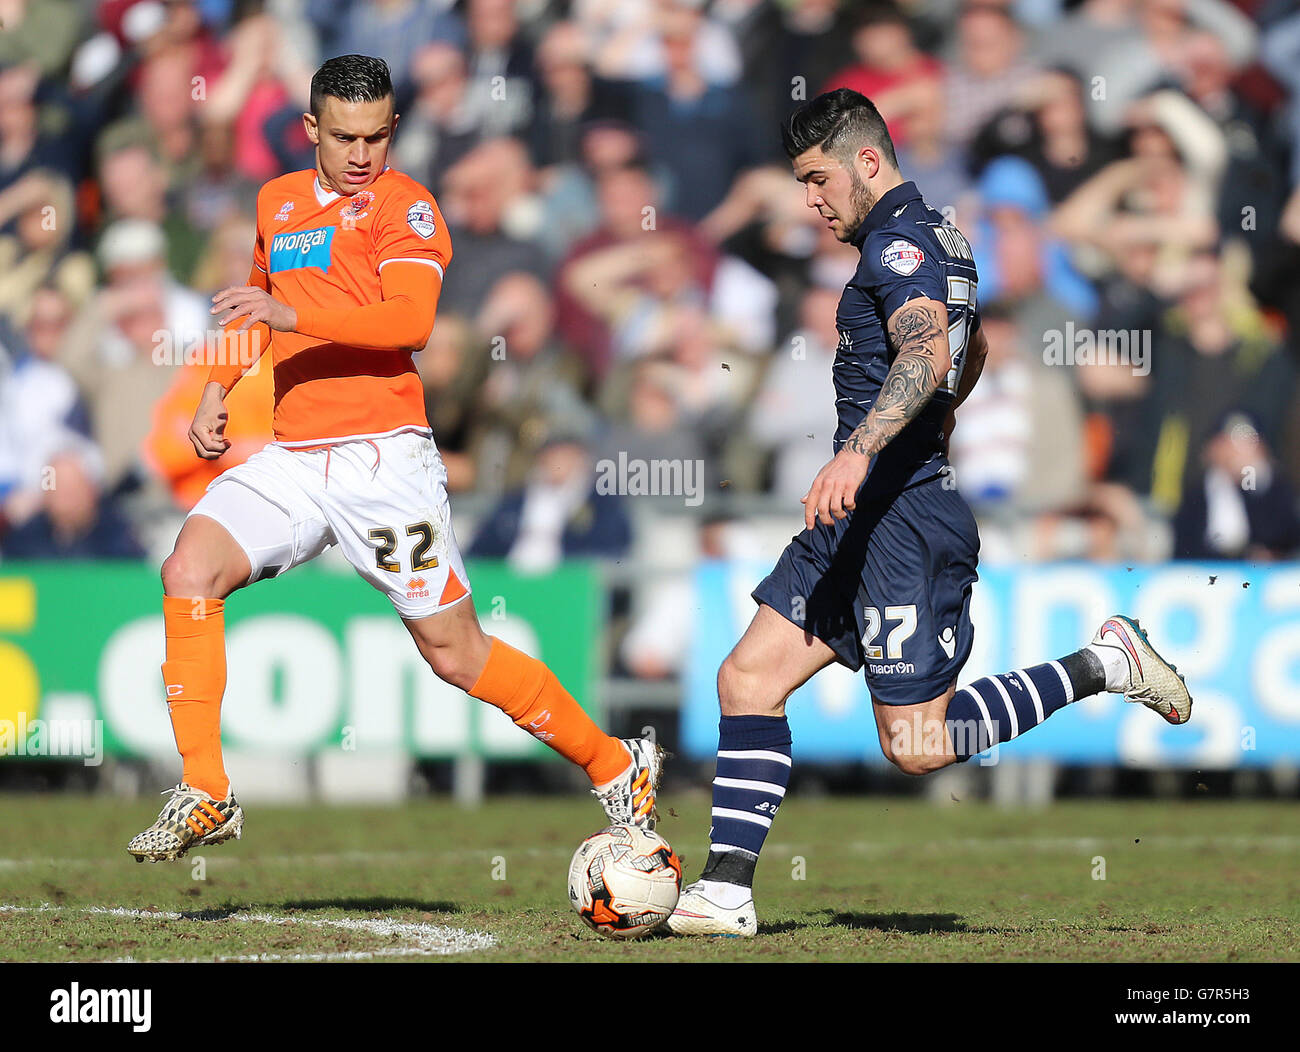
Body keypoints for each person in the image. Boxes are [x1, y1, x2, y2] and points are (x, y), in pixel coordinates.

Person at [666, 89, 1193, 937]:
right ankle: (727, 891)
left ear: (867, 162)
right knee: (747, 679)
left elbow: (929, 346)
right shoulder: (930, 234)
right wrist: (933, 413)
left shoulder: (902, 248)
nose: (810, 201)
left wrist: (862, 447)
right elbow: (968, 344)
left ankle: (1104, 664)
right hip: (859, 518)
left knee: (915, 747)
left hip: (906, 522)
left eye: (817, 180)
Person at [127, 55, 661, 864]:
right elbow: (252, 310)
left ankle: (615, 763)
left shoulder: (406, 207)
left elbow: (408, 321)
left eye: (377, 136)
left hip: (385, 463)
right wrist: (214, 387)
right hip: (295, 456)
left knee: (456, 654)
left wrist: (287, 307)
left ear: (394, 132)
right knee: (188, 570)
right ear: (311, 130)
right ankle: (207, 789)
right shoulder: (276, 202)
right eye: (344, 136)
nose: (360, 153)